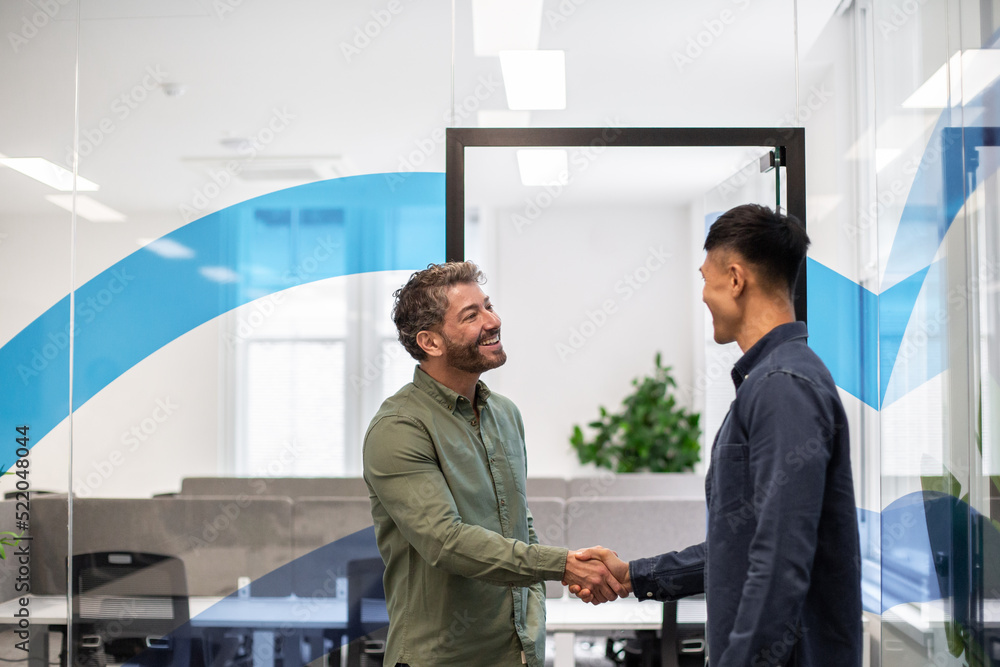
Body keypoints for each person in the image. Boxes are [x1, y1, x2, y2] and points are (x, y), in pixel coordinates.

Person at [571, 204, 862, 667]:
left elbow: (780, 561)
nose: (703, 295)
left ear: (735, 278)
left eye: (705, 279)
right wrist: (634, 575)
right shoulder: (773, 382)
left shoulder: (782, 387)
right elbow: (742, 545)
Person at [363, 261, 627, 667]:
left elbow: (520, 523)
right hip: (443, 657)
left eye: (488, 306)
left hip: (520, 653)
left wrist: (554, 588)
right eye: (472, 315)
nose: (493, 320)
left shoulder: (504, 414)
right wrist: (562, 566)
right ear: (430, 342)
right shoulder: (399, 427)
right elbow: (446, 542)